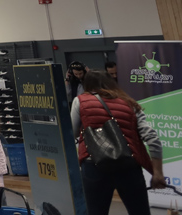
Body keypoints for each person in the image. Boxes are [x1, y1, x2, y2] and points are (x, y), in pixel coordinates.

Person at [71, 72, 166, 215]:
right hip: (128, 165)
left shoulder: (80, 101)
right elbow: (152, 138)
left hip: (94, 166)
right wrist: (157, 172)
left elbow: (72, 132)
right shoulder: (129, 103)